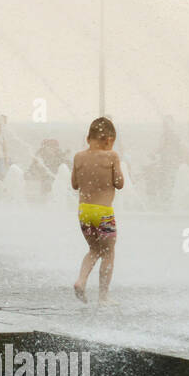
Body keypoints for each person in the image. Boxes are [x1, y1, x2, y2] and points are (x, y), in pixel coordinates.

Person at [71, 116, 124, 304]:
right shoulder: (112, 156)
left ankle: (81, 280)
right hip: (104, 213)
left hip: (84, 211)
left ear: (88, 138)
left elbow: (74, 184)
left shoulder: (78, 157)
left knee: (93, 249)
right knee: (108, 252)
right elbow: (120, 184)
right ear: (108, 140)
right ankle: (103, 296)